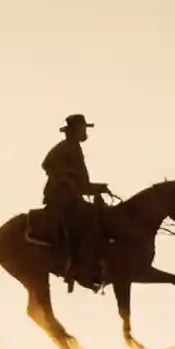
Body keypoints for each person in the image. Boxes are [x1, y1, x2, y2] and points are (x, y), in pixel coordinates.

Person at [41, 114, 110, 290]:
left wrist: (98, 188)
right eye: (82, 128)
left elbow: (82, 184)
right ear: (74, 131)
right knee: (92, 221)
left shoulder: (73, 148)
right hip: (62, 199)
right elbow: (47, 164)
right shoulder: (65, 148)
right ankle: (80, 267)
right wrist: (65, 178)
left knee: (101, 214)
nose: (85, 131)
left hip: (70, 197)